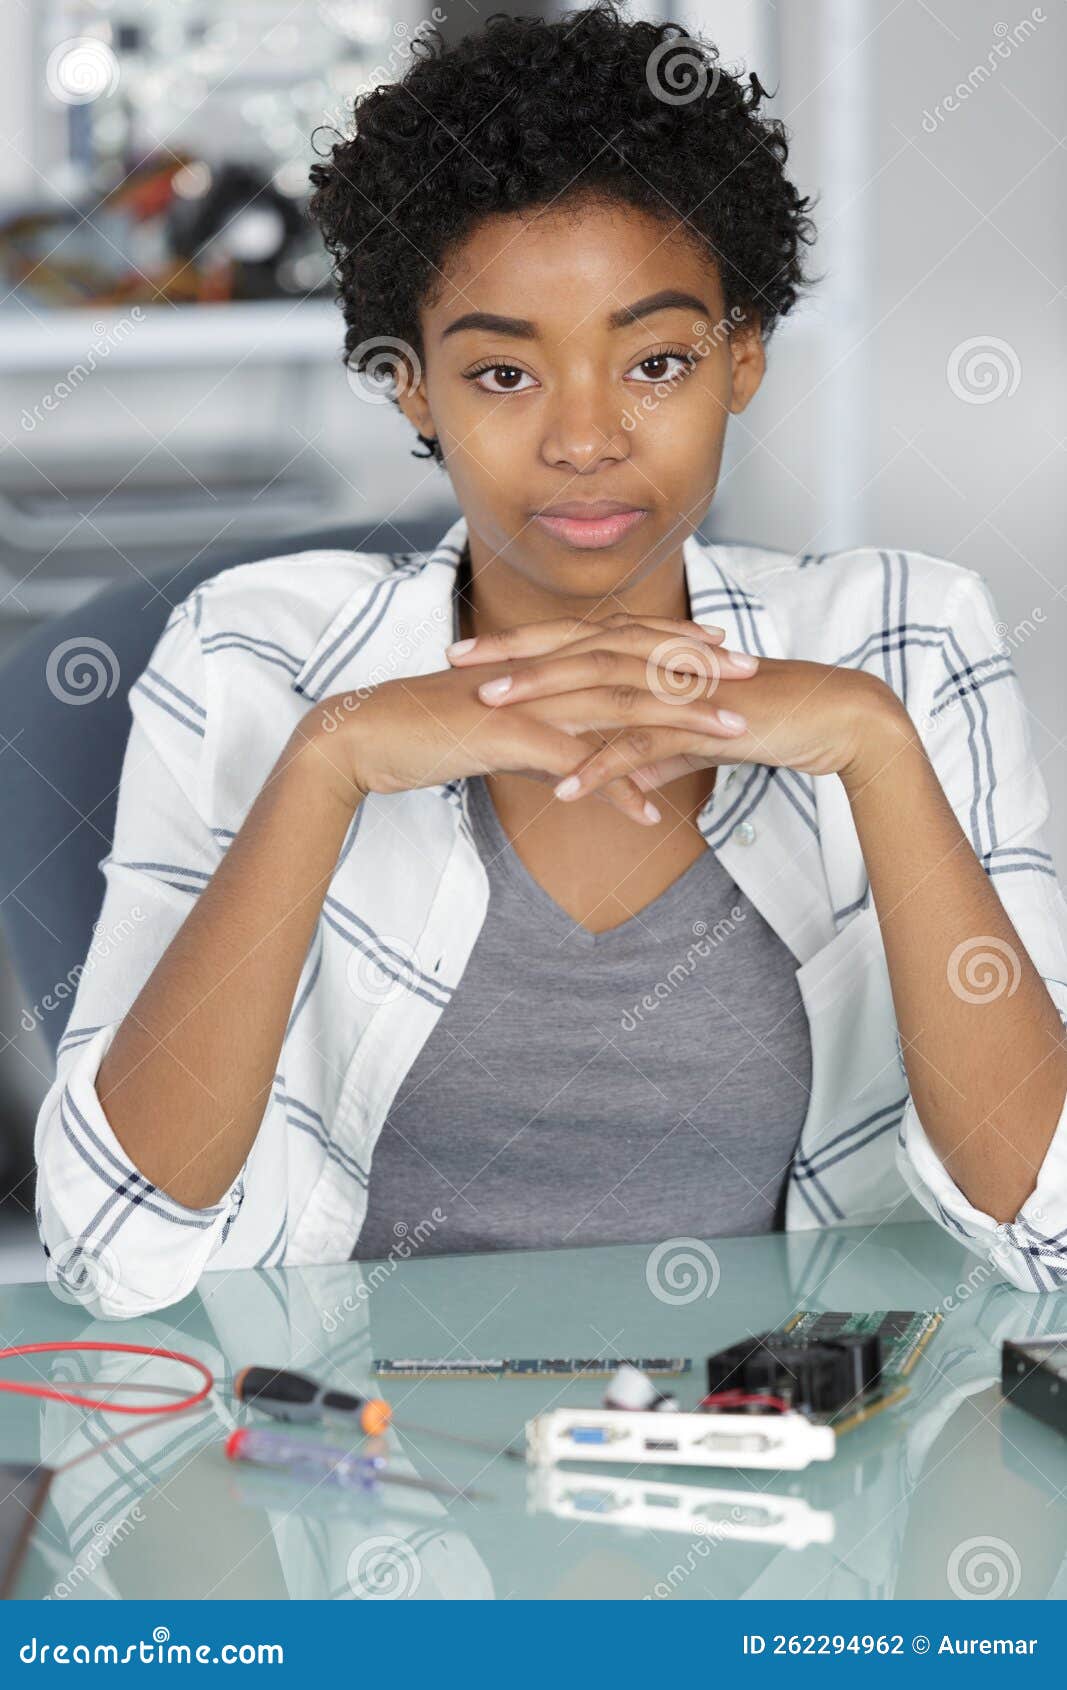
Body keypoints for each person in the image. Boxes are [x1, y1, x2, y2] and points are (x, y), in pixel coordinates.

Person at [33, 2, 1067, 1319]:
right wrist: (328, 764)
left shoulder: (904, 643)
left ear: (742, 357)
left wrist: (872, 745)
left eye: (657, 360)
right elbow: (112, 1244)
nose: (586, 436)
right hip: (358, 1470)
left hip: (794, 1473)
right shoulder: (254, 654)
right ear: (412, 386)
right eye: (505, 375)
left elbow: (1053, 1223)